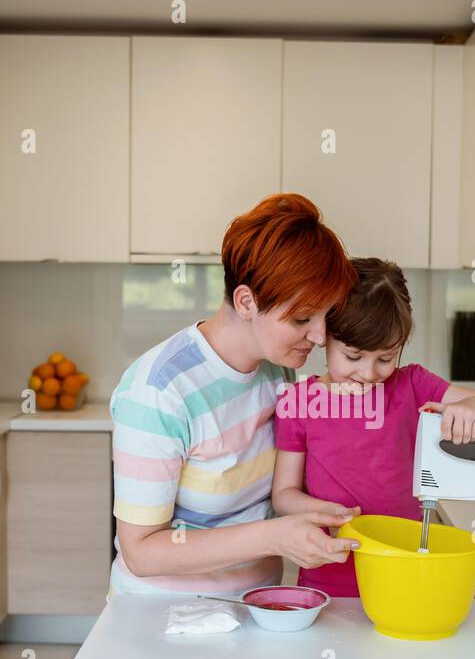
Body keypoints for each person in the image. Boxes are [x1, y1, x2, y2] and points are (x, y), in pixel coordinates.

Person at [109, 194, 361, 595]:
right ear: (247, 301)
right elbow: (141, 553)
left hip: (257, 602)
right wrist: (273, 537)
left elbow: (272, 493)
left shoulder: (275, 367)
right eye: (301, 318)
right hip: (165, 613)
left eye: (324, 317)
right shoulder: (160, 389)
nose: (318, 337)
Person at [271, 257, 475, 597]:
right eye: (353, 356)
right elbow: (283, 495)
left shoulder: (413, 385)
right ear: (324, 335)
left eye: (385, 359)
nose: (369, 373)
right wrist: (317, 510)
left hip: (404, 572)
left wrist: (473, 406)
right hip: (328, 576)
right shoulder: (299, 402)